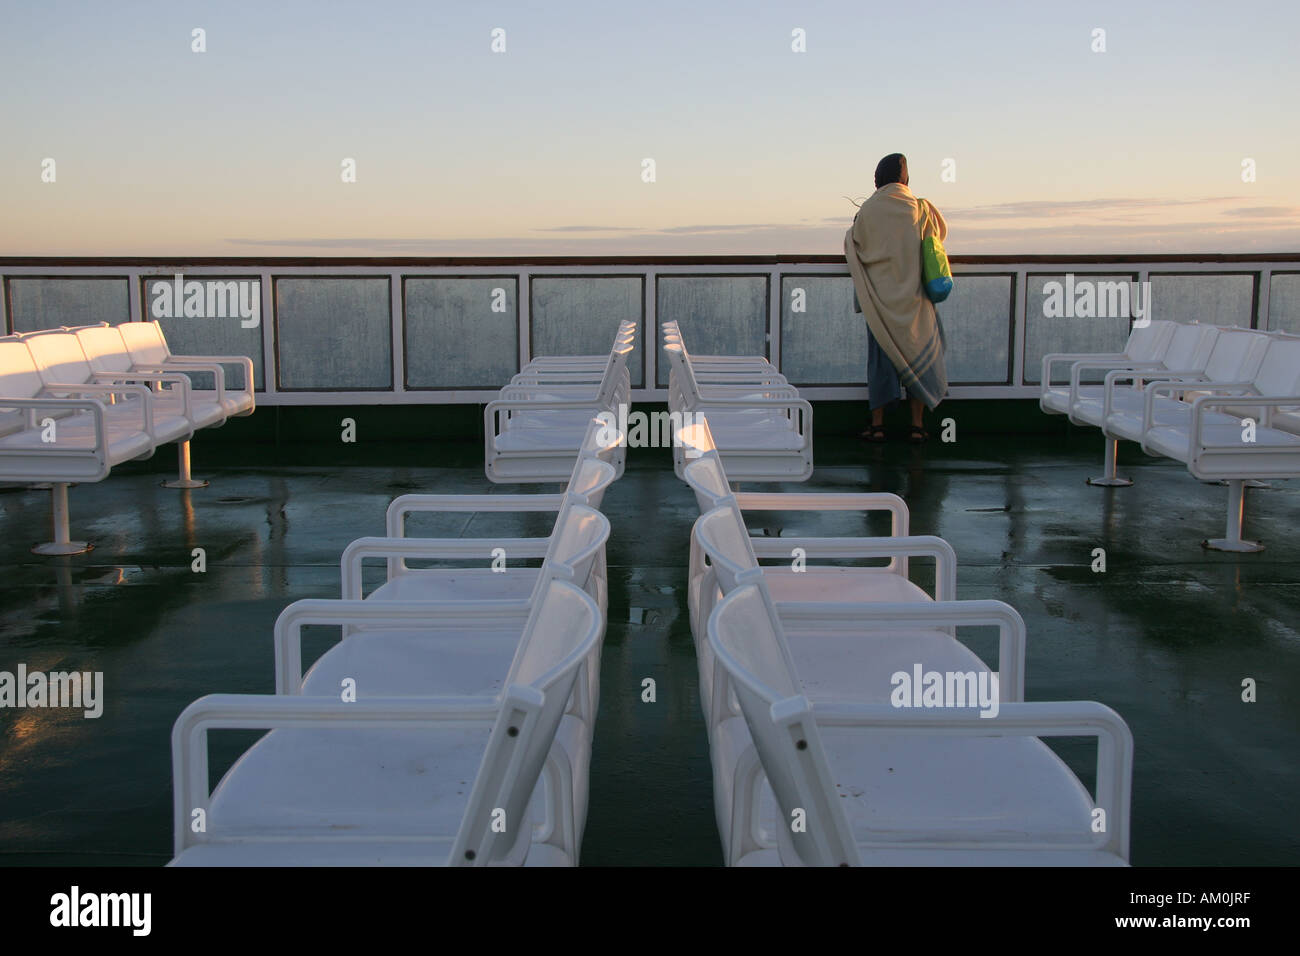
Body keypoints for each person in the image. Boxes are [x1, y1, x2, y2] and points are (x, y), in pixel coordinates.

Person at [845, 153, 949, 442]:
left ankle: (878, 425)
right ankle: (916, 425)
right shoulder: (919, 208)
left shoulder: (867, 210)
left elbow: (855, 242)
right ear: (905, 177)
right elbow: (937, 238)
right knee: (921, 354)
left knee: (880, 359)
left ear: (877, 178)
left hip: (879, 300)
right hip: (915, 298)